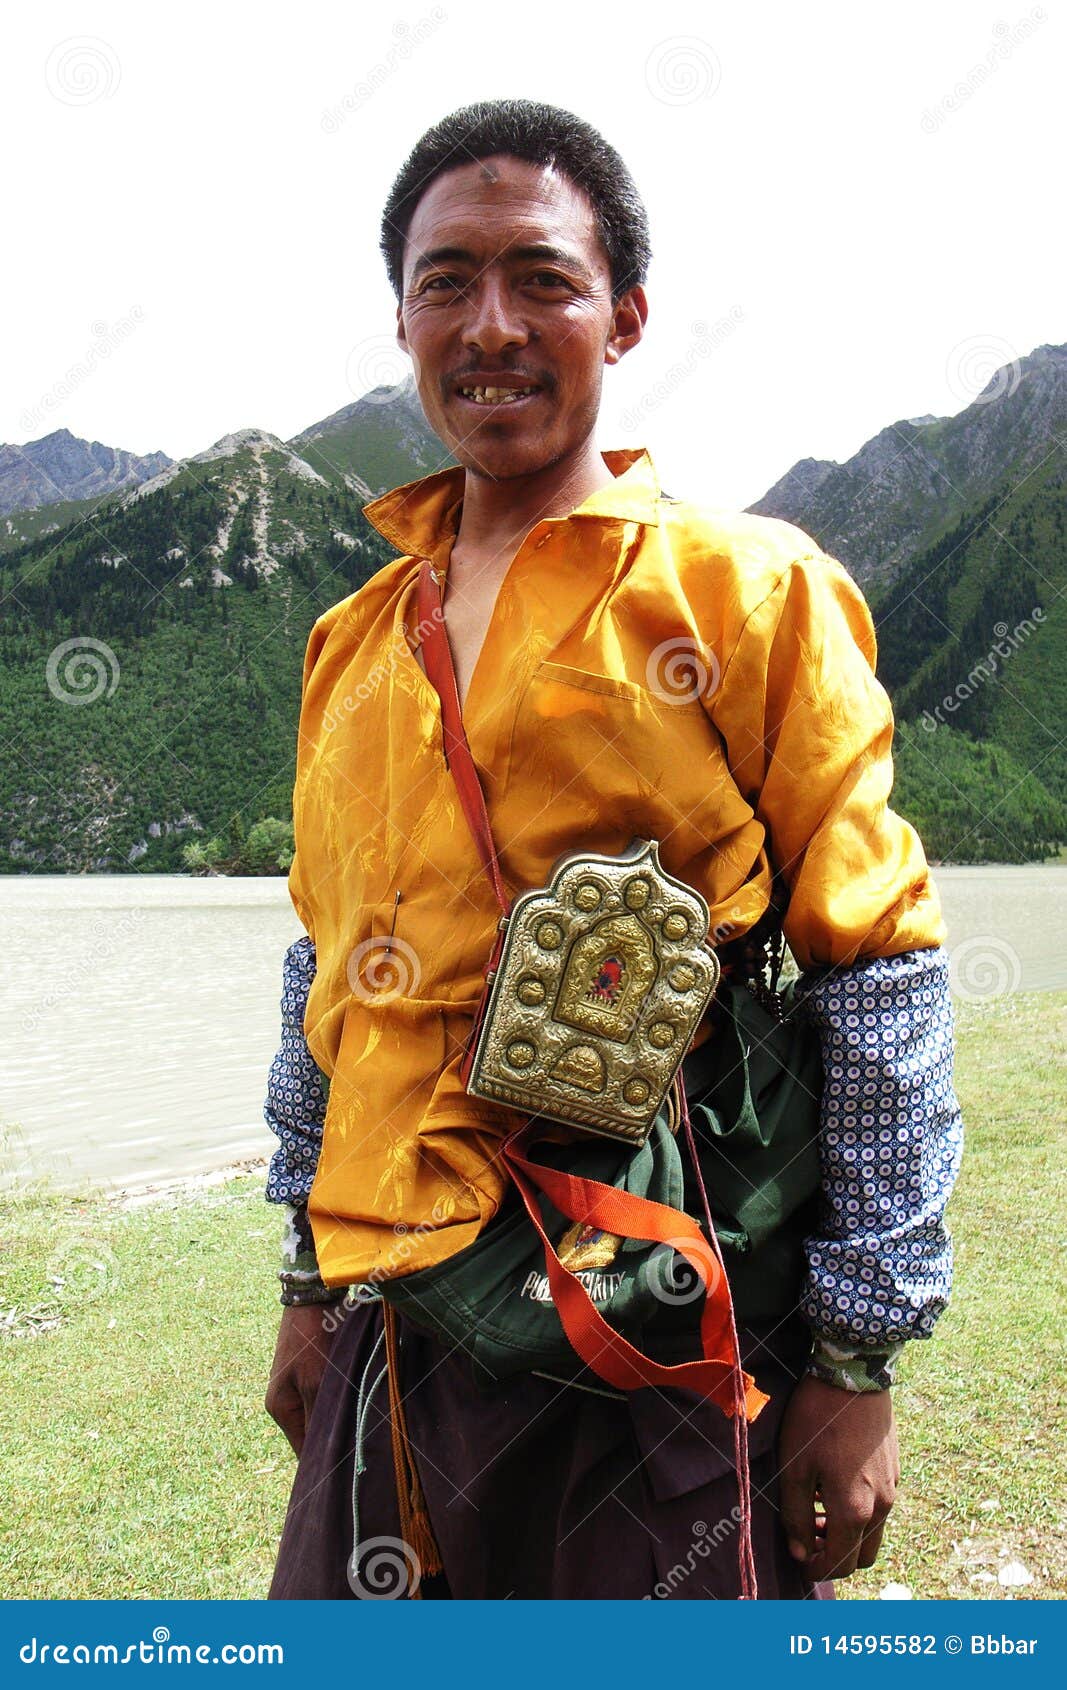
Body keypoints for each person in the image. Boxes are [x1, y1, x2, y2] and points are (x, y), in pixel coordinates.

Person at [262, 99, 963, 1601]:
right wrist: (303, 1276)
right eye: (447, 281)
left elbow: (880, 966)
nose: (491, 324)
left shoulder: (745, 588)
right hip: (401, 1321)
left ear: (626, 315)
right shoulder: (349, 646)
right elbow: (326, 980)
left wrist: (857, 1353)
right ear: (400, 317)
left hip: (659, 1307)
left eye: (543, 278)